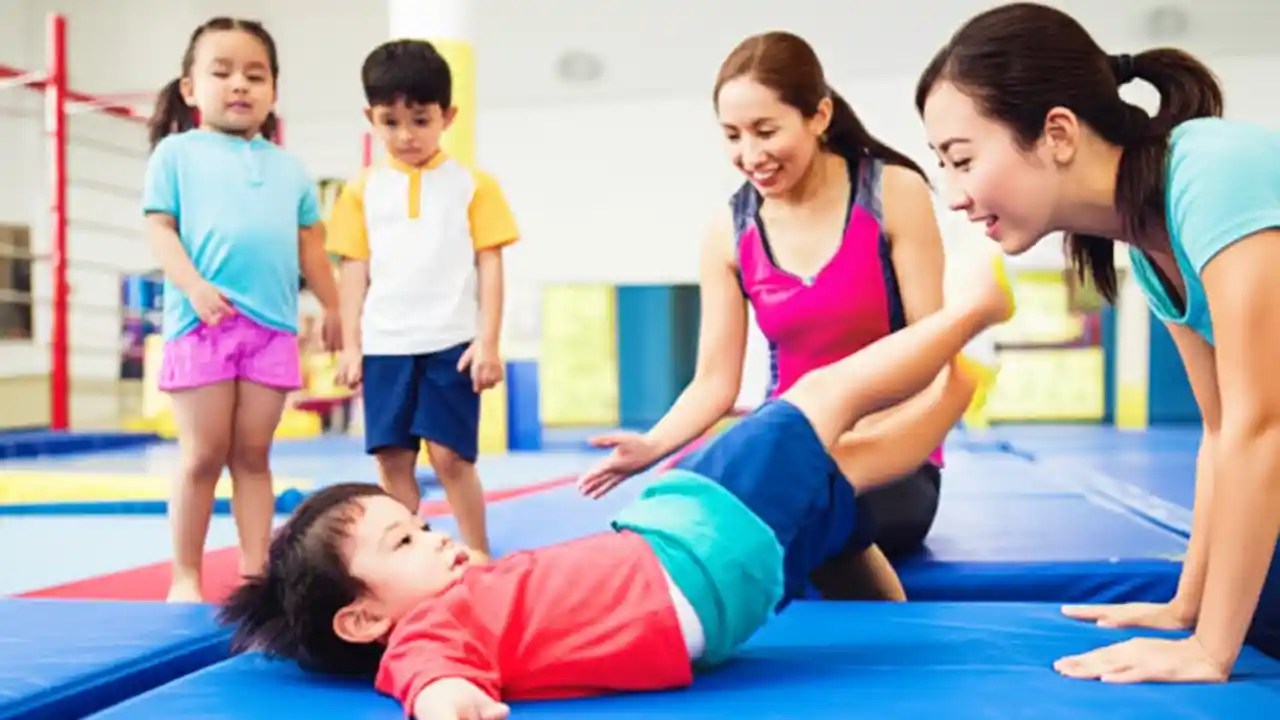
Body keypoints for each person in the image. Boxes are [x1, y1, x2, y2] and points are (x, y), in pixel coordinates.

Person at [218, 258, 1014, 719]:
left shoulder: (452, 608)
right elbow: (429, 681)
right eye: (404, 543)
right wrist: (447, 703)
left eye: (418, 524)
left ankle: (948, 398)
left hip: (699, 572)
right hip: (690, 556)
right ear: (363, 618)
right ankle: (977, 310)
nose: (435, 537)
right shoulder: (426, 636)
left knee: (846, 469)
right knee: (821, 398)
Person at [916, 1, 1280, 682]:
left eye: (961, 160)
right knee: (1260, 612)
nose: (955, 196)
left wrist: (1212, 651)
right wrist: (1187, 608)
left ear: (1057, 132)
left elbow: (1264, 427)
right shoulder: (1147, 241)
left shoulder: (1210, 176)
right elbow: (1221, 427)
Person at [577, 30, 985, 598]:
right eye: (732, 135)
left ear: (818, 116)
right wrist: (652, 446)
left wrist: (867, 441)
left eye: (767, 131)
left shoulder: (892, 192)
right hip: (791, 445)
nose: (750, 154)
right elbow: (714, 382)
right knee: (684, 505)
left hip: (893, 458)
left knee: (809, 499)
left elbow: (935, 351)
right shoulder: (730, 230)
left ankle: (886, 610)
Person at [142, 17, 341, 603]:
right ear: (190, 88)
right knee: (202, 455)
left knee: (253, 457)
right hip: (201, 323)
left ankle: (257, 576)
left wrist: (333, 308)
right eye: (221, 72)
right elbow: (160, 229)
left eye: (255, 75)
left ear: (273, 91)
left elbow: (311, 246)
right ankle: (186, 575)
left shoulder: (289, 167)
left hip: (271, 327)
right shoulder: (176, 154)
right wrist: (195, 287)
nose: (239, 85)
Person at [326, 39, 519, 562]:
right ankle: (403, 554)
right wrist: (351, 346)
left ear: (447, 116)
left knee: (453, 457)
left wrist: (489, 341)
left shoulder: (473, 186)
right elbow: (353, 270)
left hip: (450, 343)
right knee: (391, 459)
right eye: (390, 121)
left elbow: (491, 263)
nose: (406, 135)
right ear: (371, 117)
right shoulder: (361, 190)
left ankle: (477, 550)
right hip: (386, 344)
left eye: (420, 119)